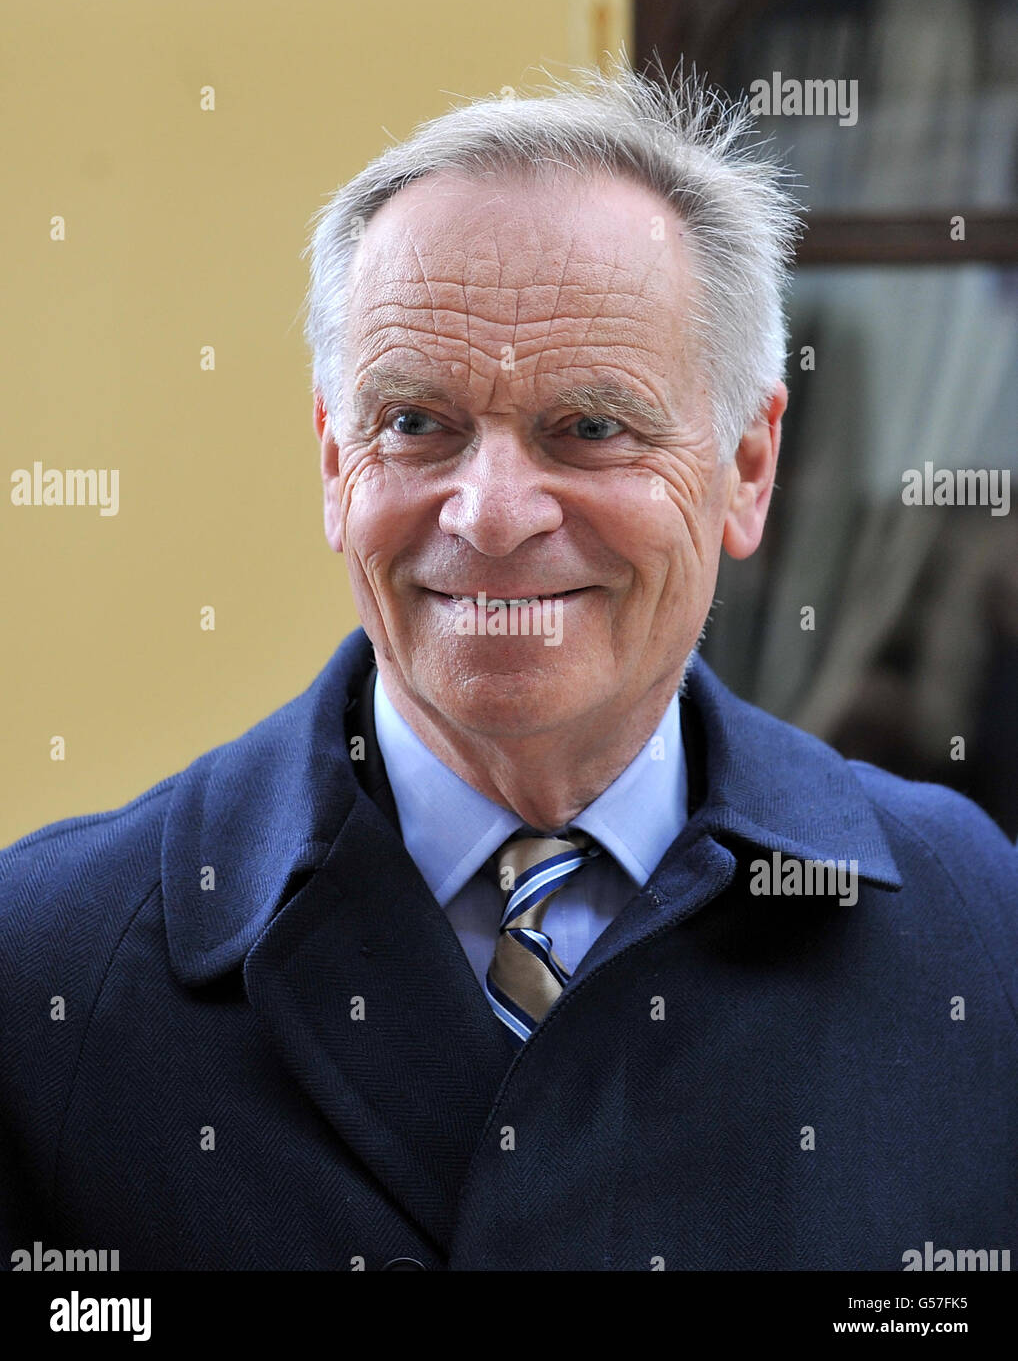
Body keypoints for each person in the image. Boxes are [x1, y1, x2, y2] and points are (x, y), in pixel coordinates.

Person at [2, 63, 1015, 1273]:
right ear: (337, 466)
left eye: (589, 428)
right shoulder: (49, 972)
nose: (488, 514)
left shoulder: (975, 933)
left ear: (747, 466)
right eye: (416, 424)